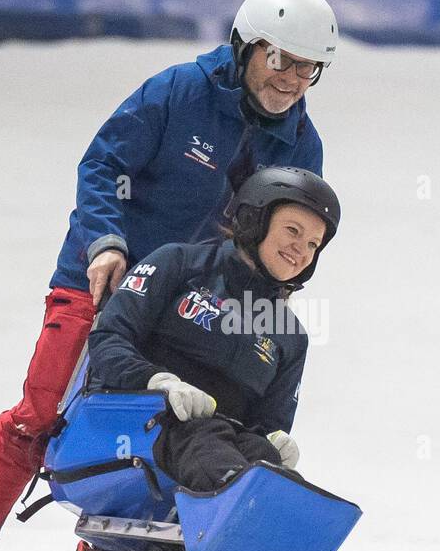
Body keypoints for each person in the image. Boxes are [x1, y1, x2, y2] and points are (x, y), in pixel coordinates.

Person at [0, 0, 340, 551]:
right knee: (46, 415)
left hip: (195, 308)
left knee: (169, 431)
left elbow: (281, 241)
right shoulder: (177, 93)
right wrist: (106, 242)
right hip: (104, 276)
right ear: (245, 47)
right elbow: (101, 166)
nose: (291, 79)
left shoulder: (302, 143)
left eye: (308, 67)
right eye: (280, 59)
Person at [87, 166, 339, 494]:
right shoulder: (179, 264)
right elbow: (108, 339)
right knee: (204, 439)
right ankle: (240, 500)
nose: (301, 250)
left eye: (312, 245)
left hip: (216, 444)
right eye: (292, 230)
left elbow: (266, 425)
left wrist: (274, 442)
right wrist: (156, 382)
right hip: (139, 422)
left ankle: (287, 516)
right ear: (253, 220)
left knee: (262, 460)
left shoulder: (290, 335)